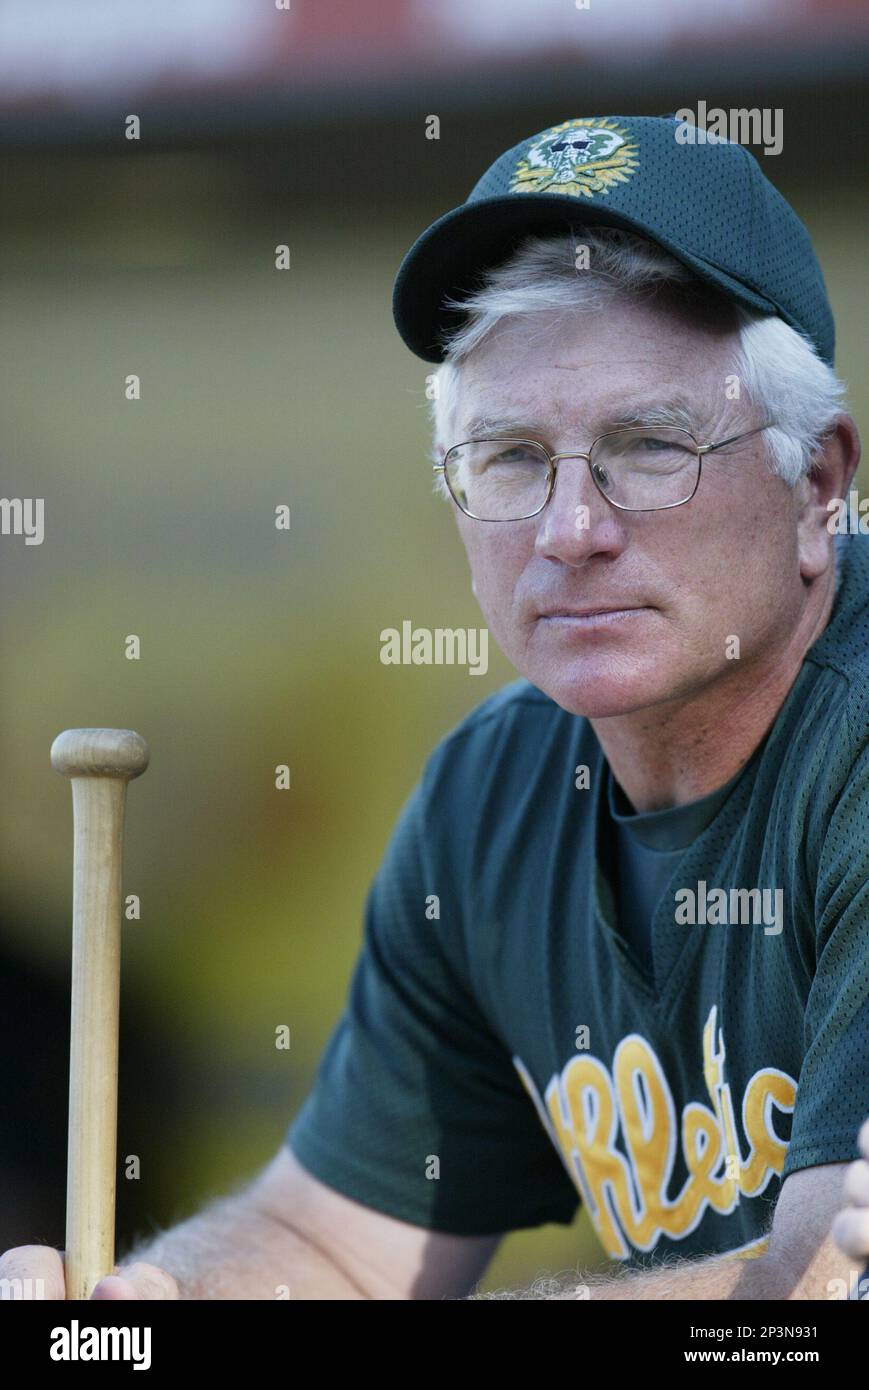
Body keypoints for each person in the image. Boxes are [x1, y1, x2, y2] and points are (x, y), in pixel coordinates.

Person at [3, 114, 867, 1300]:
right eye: (510, 458)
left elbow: (814, 1290)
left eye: (650, 446)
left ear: (815, 485)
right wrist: (157, 1308)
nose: (571, 530)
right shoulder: (490, 793)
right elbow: (327, 1245)